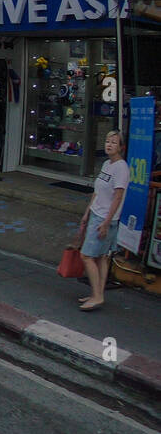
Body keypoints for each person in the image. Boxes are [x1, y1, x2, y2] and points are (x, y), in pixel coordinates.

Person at [77, 129, 129, 311]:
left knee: (87, 256)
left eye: (114, 142)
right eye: (108, 141)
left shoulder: (121, 168)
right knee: (100, 258)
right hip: (96, 214)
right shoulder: (107, 164)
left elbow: (118, 197)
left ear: (121, 147)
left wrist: (106, 222)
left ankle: (98, 296)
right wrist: (86, 213)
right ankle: (96, 294)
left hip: (105, 218)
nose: (109, 144)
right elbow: (97, 192)